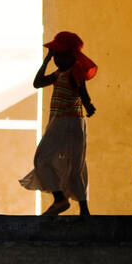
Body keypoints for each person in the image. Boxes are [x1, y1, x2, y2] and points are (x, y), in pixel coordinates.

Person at [19, 31, 98, 217]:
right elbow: (37, 83)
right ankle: (82, 210)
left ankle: (60, 199)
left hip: (65, 121)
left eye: (59, 54)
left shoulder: (74, 71)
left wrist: (89, 105)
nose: (56, 58)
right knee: (75, 166)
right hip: (73, 122)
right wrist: (46, 61)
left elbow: (82, 90)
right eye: (55, 55)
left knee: (43, 159)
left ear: (71, 55)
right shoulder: (58, 73)